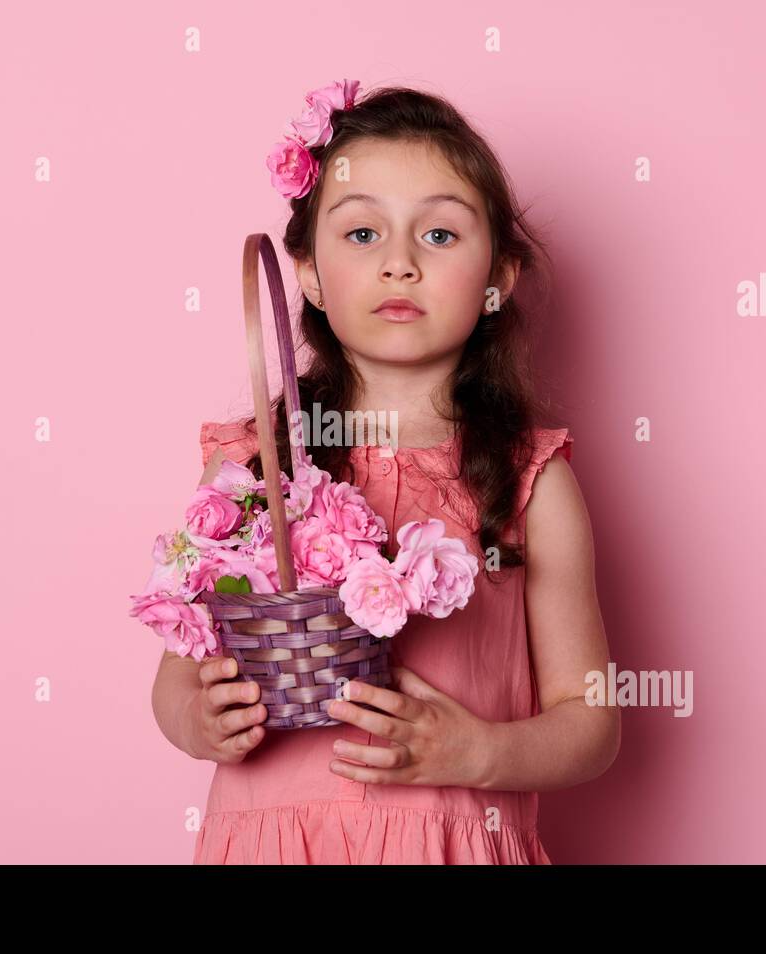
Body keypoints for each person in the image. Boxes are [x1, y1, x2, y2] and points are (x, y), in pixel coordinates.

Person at [151, 80, 618, 864]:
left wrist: (477, 755)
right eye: (363, 234)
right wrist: (199, 722)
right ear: (306, 274)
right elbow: (174, 681)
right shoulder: (249, 469)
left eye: (439, 236)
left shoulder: (529, 480)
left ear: (499, 279)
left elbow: (593, 719)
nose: (399, 263)